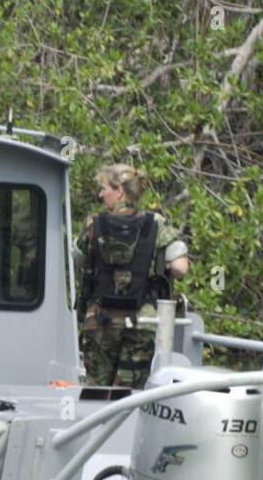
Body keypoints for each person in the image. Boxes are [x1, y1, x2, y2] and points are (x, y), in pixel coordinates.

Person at [75, 163, 189, 388]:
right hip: (140, 322)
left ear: (119, 191)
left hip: (100, 321)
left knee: (95, 390)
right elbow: (180, 267)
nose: (100, 194)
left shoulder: (94, 223)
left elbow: (78, 259)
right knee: (128, 393)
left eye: (104, 189)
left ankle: (94, 422)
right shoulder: (155, 223)